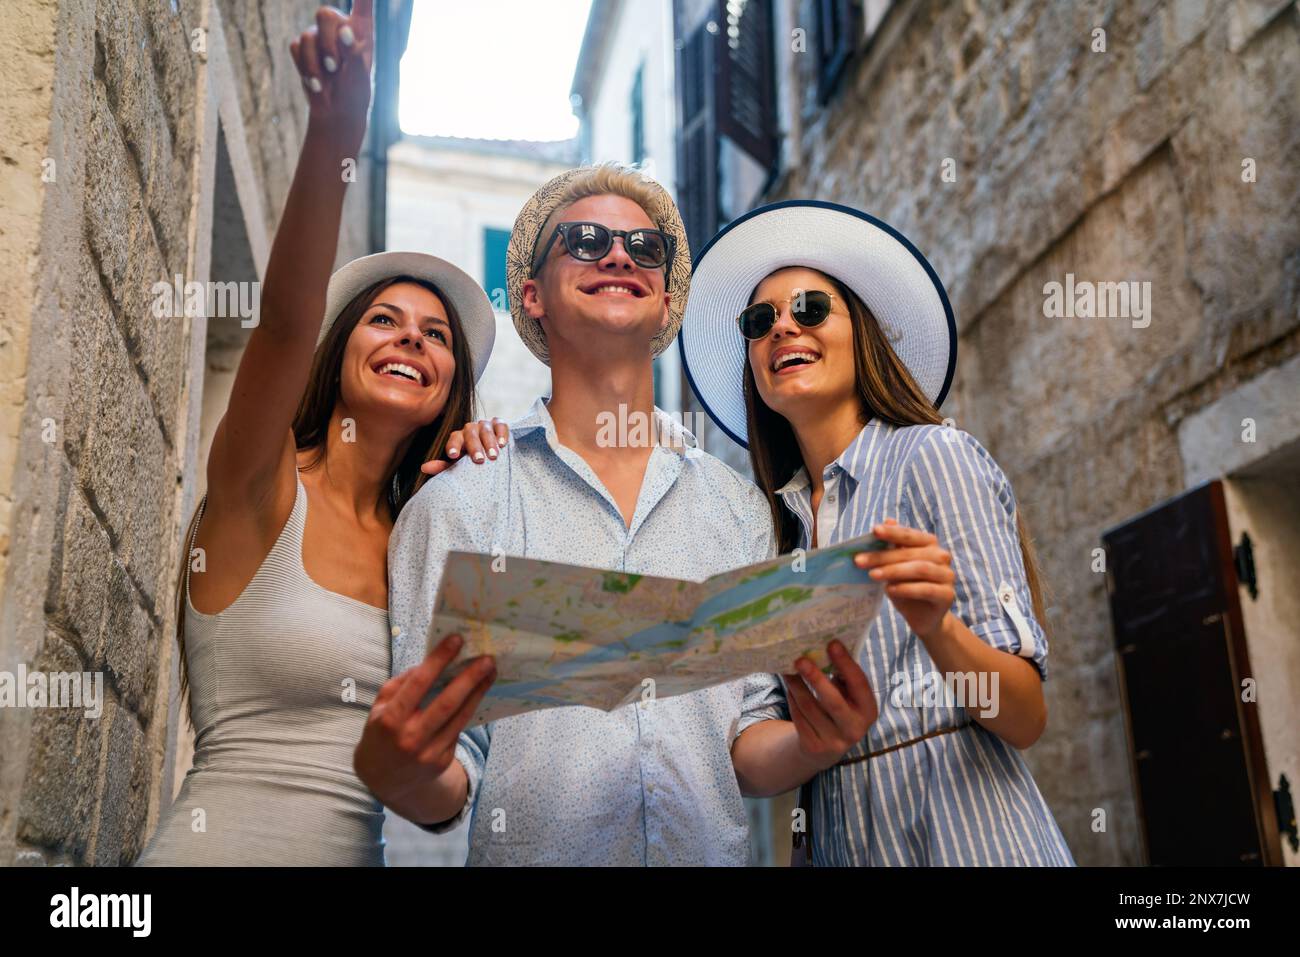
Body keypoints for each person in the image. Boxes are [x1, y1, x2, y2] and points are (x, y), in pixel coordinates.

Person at [354, 166, 879, 865]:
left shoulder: (739, 508)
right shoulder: (458, 501)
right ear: (532, 296)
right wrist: (405, 770)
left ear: (666, 302)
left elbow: (747, 748)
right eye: (586, 239)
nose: (620, 254)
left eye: (644, 247)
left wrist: (818, 740)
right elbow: (445, 778)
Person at [136, 1, 498, 866]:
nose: (413, 336)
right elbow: (283, 327)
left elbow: (453, 788)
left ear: (450, 387)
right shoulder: (262, 486)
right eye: (384, 319)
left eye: (437, 334)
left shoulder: (437, 540)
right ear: (339, 355)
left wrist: (485, 482)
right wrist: (337, 130)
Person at [679, 199, 1075, 865]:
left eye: (808, 309)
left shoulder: (933, 457)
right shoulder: (768, 536)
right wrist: (817, 741)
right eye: (760, 320)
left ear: (859, 331)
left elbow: (1026, 716)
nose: (783, 328)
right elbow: (749, 758)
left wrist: (938, 628)